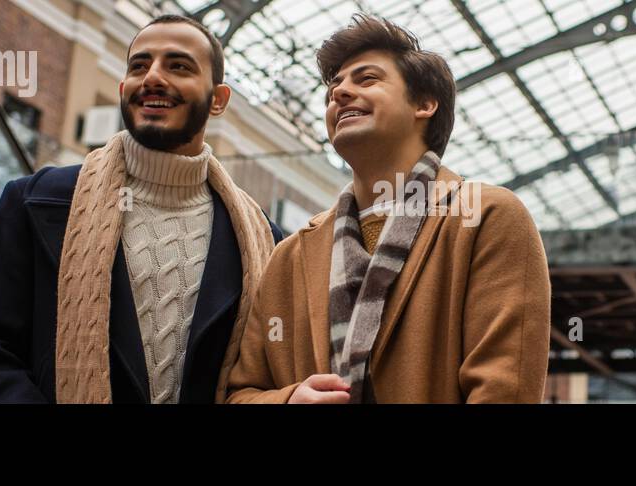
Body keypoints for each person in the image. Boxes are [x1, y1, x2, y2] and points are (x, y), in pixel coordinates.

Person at [0, 14, 281, 404]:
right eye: (140, 65)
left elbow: (264, 375)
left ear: (218, 100)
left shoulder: (262, 241)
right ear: (124, 87)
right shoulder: (35, 201)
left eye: (178, 66)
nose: (153, 77)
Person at [226, 14, 550, 404]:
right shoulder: (290, 257)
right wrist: (290, 400)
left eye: (366, 79)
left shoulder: (488, 217)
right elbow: (240, 393)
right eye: (333, 88)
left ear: (425, 104)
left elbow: (504, 391)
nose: (340, 93)